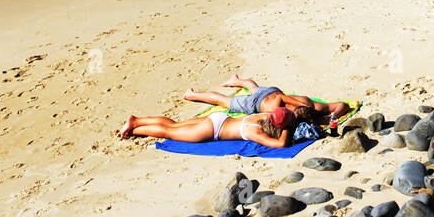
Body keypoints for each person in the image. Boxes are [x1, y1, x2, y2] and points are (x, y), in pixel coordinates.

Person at [182, 76, 350, 123]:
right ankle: (191, 95)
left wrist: (331, 118)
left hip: (270, 92)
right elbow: (343, 106)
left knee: (255, 88)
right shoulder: (281, 111)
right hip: (258, 103)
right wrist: (331, 119)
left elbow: (343, 105)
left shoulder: (309, 104)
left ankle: (237, 81)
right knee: (225, 102)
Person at [119, 106, 299, 147]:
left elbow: (281, 115)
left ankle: (137, 120)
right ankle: (134, 127)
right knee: (169, 132)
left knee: (175, 125)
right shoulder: (255, 131)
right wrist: (287, 128)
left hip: (219, 118)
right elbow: (280, 144)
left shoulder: (264, 115)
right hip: (212, 130)